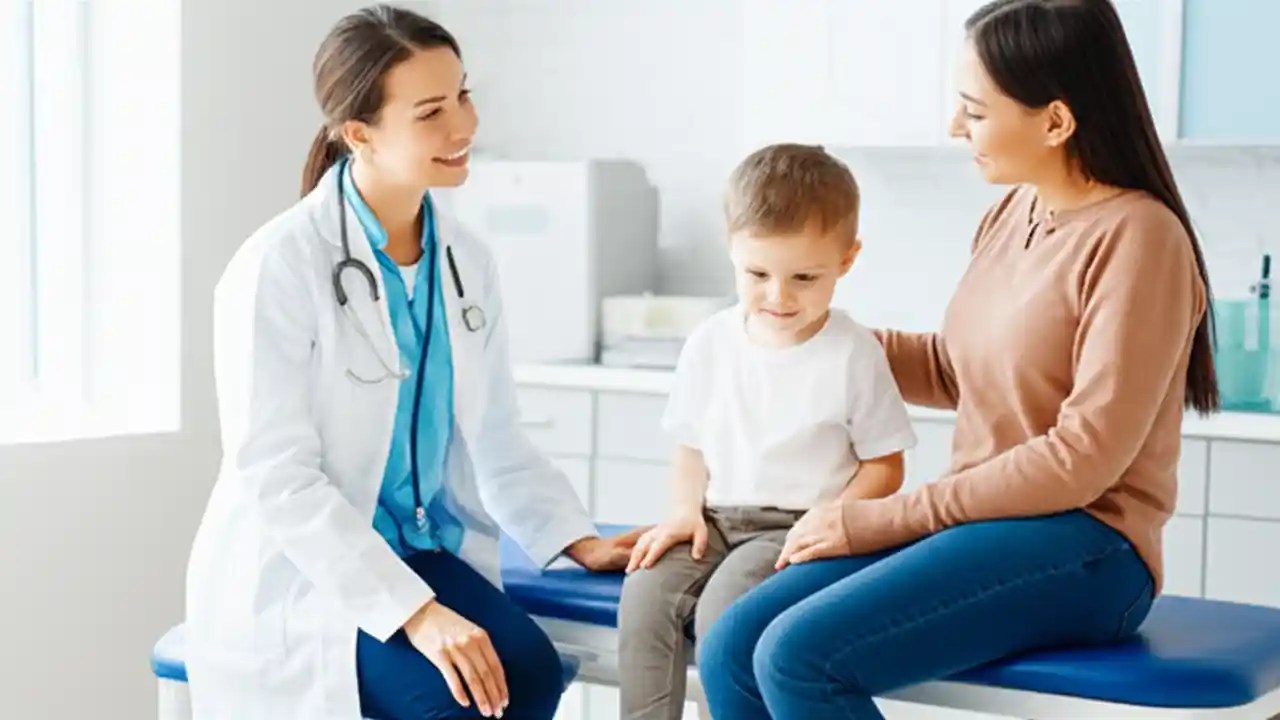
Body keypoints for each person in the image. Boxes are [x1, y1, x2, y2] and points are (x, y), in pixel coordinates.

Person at [696, 1, 1220, 718]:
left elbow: (1083, 457)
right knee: (732, 646)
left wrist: (885, 518)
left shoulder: (1139, 239)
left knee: (799, 656)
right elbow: (957, 371)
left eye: (973, 111)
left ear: (1055, 122)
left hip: (1090, 546)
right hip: (981, 528)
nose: (954, 127)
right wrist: (813, 329)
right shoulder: (1015, 213)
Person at [184, 6, 641, 719]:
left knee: (531, 672)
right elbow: (277, 475)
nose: (464, 126)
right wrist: (416, 615)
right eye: (432, 111)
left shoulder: (465, 260)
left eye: (463, 95)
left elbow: (497, 435)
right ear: (359, 133)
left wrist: (575, 538)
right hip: (312, 573)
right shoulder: (279, 265)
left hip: (422, 551)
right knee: (455, 700)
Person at [617, 144, 918, 720]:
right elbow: (691, 444)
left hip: (794, 530)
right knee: (645, 595)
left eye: (805, 277)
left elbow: (885, 465)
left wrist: (831, 519)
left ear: (847, 260)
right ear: (731, 249)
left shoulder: (854, 352)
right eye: (757, 274)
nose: (778, 297)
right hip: (713, 519)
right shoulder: (710, 340)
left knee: (724, 616)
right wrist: (683, 512)